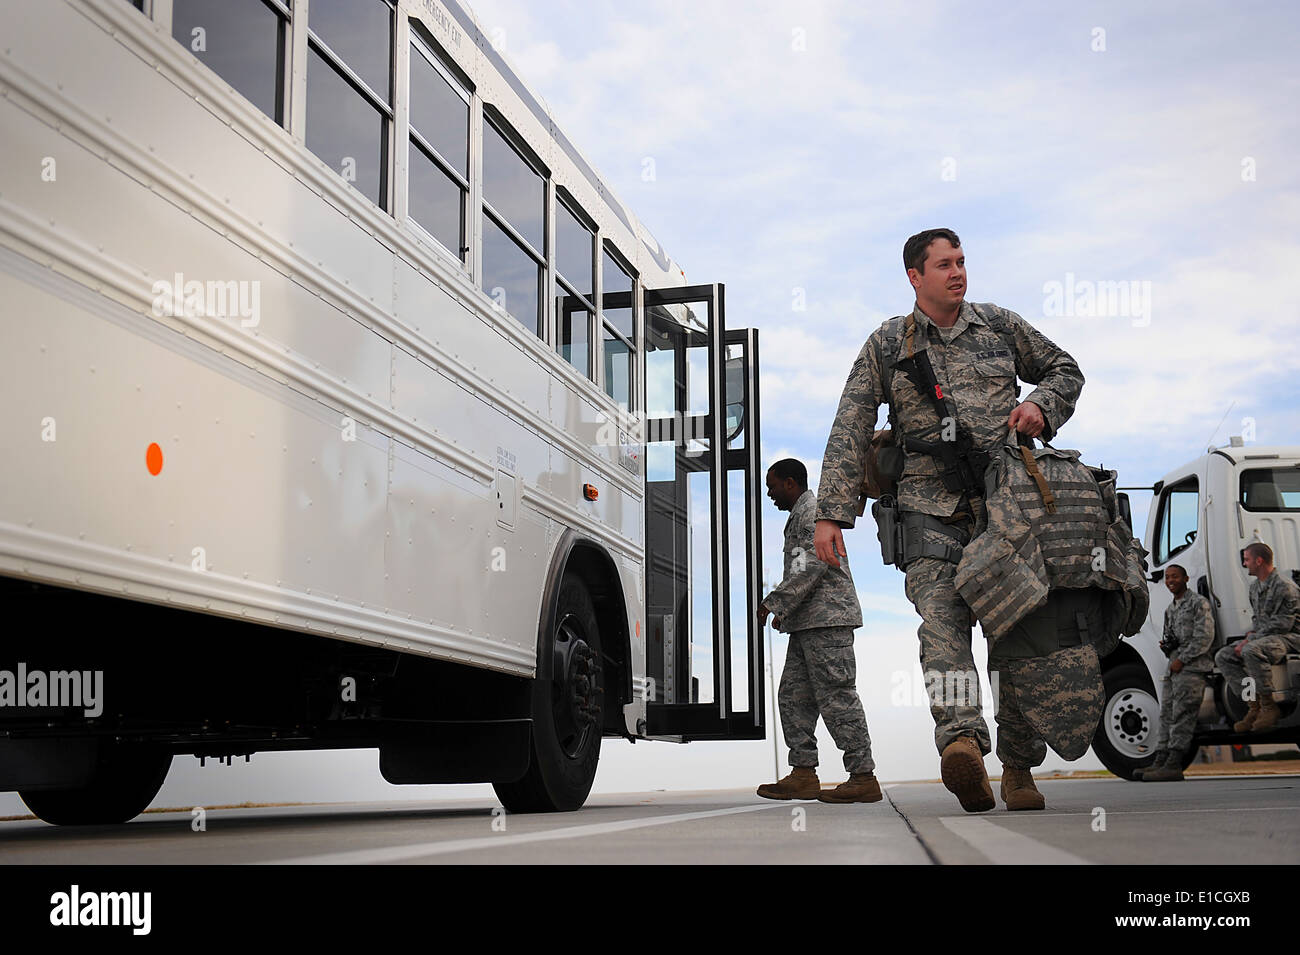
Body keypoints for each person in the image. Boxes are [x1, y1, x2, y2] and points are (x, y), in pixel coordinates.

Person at [813, 228, 1084, 813]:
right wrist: (832, 514)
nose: (957, 272)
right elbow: (850, 427)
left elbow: (1065, 368)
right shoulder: (888, 344)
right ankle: (962, 742)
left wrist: (1041, 404)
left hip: (1008, 511)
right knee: (942, 628)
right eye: (944, 265)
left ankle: (1018, 768)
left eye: (961, 261)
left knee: (1016, 638)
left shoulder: (1000, 326)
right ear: (915, 276)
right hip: (928, 512)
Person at [756, 458, 879, 803]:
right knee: (793, 696)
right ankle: (804, 773)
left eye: (773, 485)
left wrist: (775, 602)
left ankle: (863, 776)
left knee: (837, 696)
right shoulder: (801, 513)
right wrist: (789, 612)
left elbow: (814, 563)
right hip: (809, 622)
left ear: (791, 483)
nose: (770, 493)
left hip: (828, 621)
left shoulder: (812, 511)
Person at [1215, 541, 1300, 733]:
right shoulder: (1255, 588)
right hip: (1267, 637)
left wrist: (1250, 640)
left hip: (1291, 638)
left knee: (1251, 650)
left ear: (1259, 561)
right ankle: (1254, 707)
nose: (1245, 564)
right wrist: (1251, 636)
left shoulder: (1284, 587)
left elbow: (1282, 625)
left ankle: (1270, 707)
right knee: (1223, 656)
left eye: (1247, 560)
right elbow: (1258, 621)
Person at [1141, 564, 1214, 782]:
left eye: (1175, 576)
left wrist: (1182, 658)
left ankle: (1174, 763)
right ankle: (1160, 759)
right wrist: (1167, 647)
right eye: (1167, 577)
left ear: (1185, 578)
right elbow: (1171, 638)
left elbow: (1205, 637)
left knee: (1182, 715)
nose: (1171, 580)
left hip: (1192, 667)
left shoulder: (1198, 604)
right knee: (1166, 715)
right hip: (1174, 667)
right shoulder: (1170, 609)